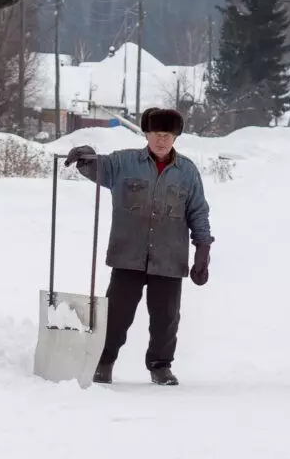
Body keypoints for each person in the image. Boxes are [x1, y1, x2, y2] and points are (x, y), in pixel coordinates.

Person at [64, 107, 214, 386]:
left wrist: (202, 249)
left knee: (166, 318)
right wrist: (85, 157)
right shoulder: (124, 163)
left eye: (168, 135)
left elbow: (198, 211)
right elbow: (98, 167)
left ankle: (160, 366)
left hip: (169, 257)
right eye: (157, 134)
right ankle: (104, 362)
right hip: (127, 255)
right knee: (117, 314)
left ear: (175, 137)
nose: (161, 140)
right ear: (146, 134)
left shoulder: (188, 172)